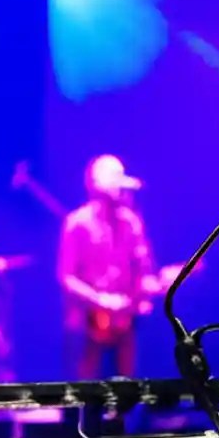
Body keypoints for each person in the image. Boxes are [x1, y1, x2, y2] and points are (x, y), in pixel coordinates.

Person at [57, 154, 157, 379]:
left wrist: (145, 292)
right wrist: (100, 300)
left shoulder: (131, 223)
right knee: (84, 388)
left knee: (127, 386)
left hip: (123, 322)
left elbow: (142, 269)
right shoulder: (78, 224)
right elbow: (67, 277)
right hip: (85, 321)